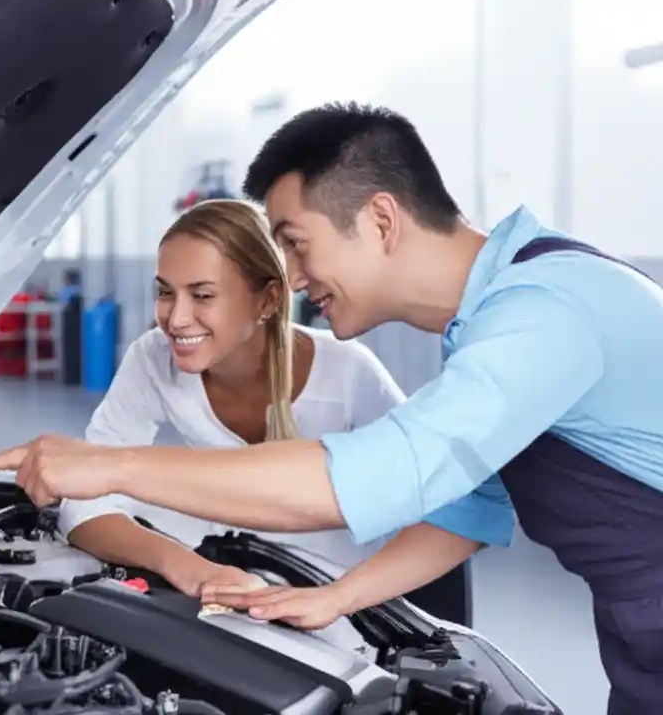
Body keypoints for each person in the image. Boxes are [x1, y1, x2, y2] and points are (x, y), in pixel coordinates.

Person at [0, 102, 663, 713]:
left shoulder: (548, 311)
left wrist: (104, 466)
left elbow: (380, 473)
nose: (294, 273)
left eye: (297, 241)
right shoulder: (490, 325)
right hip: (654, 628)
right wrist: (336, 598)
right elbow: (467, 509)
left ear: (380, 219)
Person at [58, 199, 484, 605]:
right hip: (238, 578)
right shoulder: (153, 358)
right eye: (165, 292)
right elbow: (82, 495)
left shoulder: (348, 373)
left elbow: (439, 496)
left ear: (268, 299)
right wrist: (184, 565)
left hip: (340, 602)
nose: (174, 318)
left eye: (203, 295)